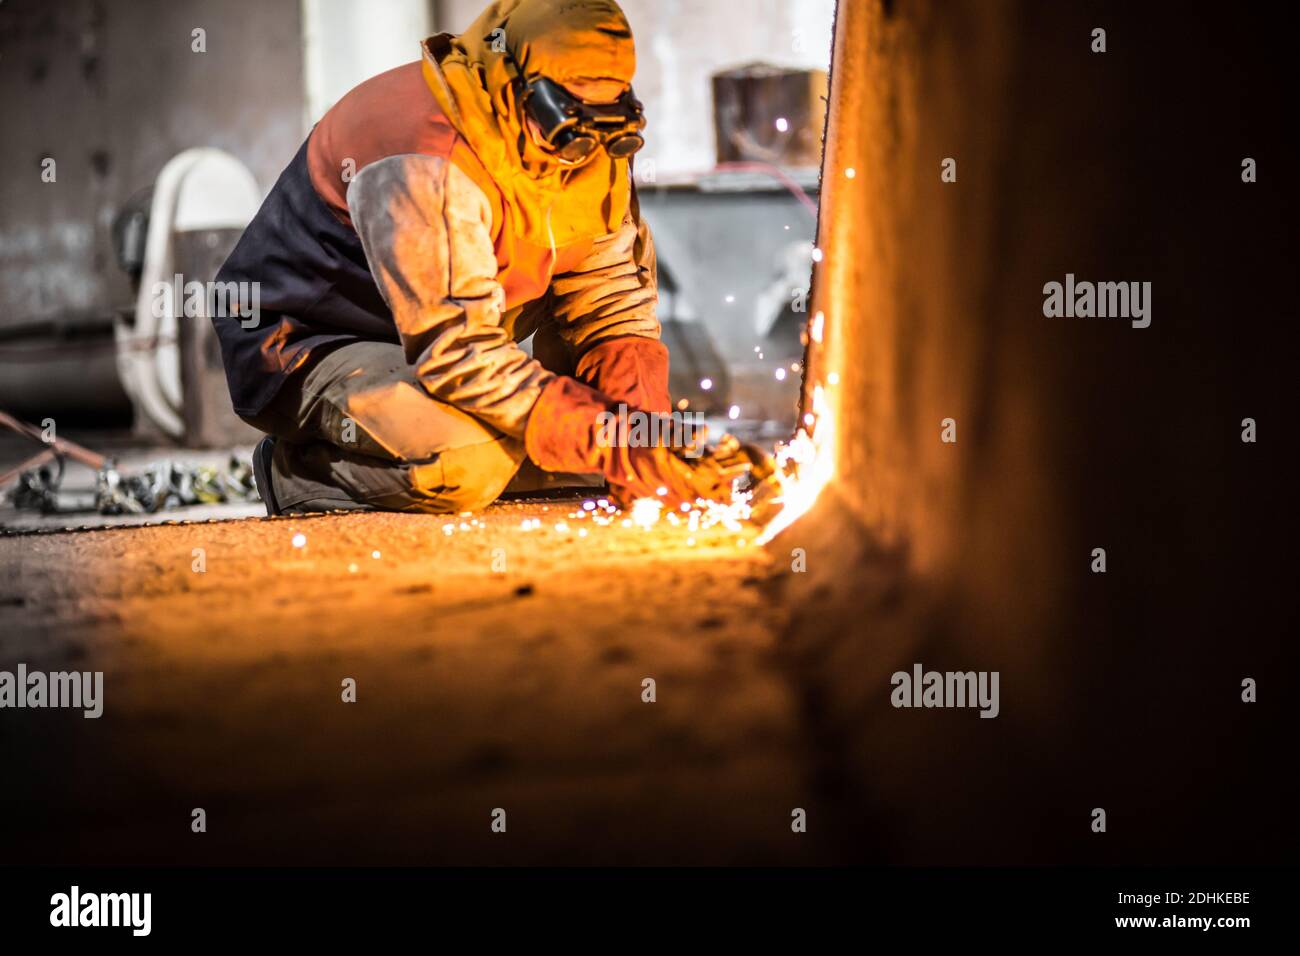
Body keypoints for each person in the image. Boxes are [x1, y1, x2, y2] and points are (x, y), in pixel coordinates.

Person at [213, 0, 742, 515]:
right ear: (514, 82)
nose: (580, 149)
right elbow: (457, 350)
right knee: (468, 463)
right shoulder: (426, 152)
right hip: (309, 343)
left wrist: (644, 436)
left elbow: (609, 306)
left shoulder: (594, 141)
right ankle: (299, 473)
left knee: (597, 454)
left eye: (602, 122)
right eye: (566, 119)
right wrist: (604, 437)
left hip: (451, 326)